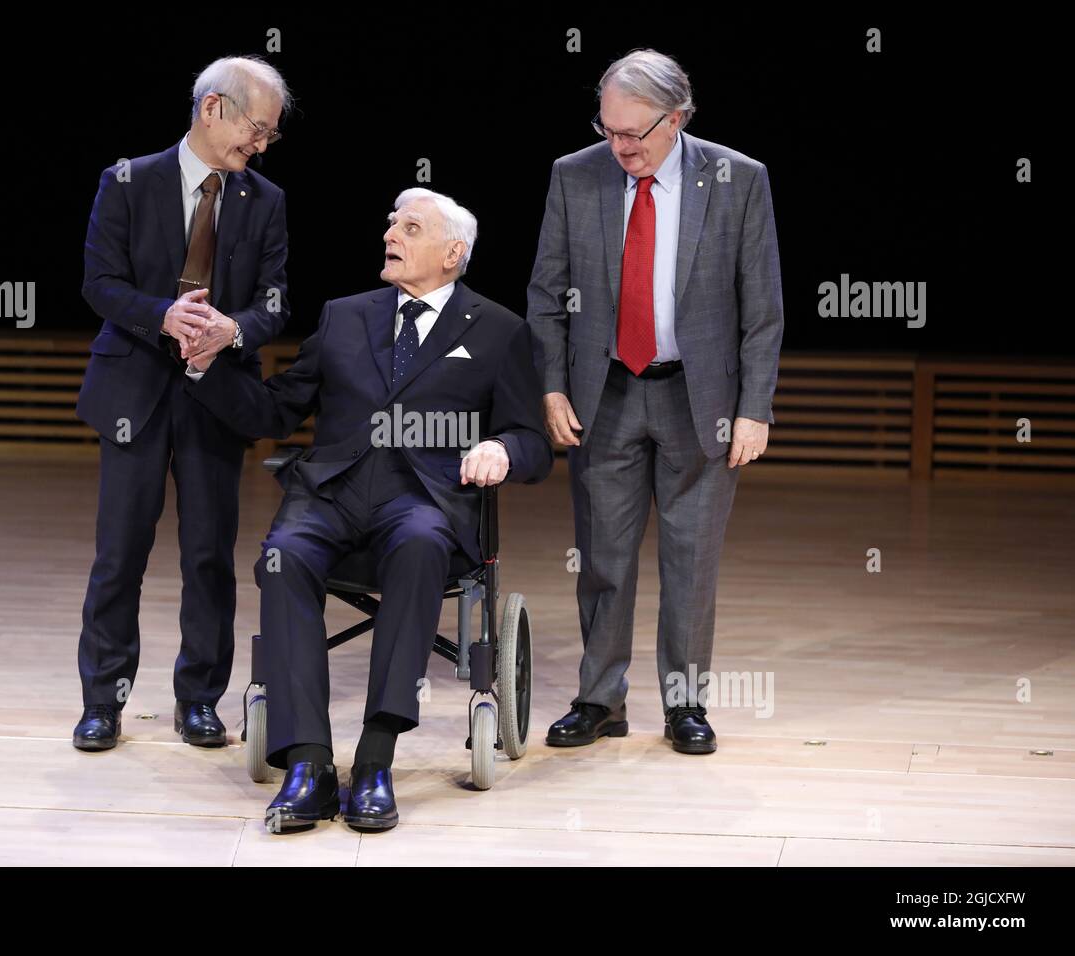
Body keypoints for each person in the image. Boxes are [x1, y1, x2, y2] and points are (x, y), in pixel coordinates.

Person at [185, 188, 553, 831]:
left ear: (453, 253)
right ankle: (309, 765)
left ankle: (376, 761)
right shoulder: (345, 315)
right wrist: (208, 365)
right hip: (332, 493)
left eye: (410, 227)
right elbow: (278, 410)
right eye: (391, 222)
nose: (392, 233)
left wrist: (500, 447)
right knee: (284, 555)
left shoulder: (499, 330)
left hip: (426, 500)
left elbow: (533, 441)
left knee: (418, 545)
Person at [527, 49, 784, 754]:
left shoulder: (738, 178)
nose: (619, 147)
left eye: (634, 134)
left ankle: (684, 705)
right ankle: (600, 699)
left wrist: (755, 407)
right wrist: (551, 384)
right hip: (604, 393)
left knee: (690, 558)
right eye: (608, 129)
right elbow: (546, 296)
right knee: (602, 556)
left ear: (677, 119)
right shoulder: (575, 174)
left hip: (699, 398)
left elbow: (762, 310)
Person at [72, 56, 292, 752]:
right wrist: (162, 316)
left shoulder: (267, 200)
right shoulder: (127, 180)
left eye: (269, 137)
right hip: (134, 387)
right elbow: (99, 284)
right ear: (212, 109)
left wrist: (234, 330)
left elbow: (275, 302)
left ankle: (200, 698)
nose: (259, 145)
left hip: (214, 395)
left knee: (207, 555)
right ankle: (103, 702)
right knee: (120, 553)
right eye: (256, 129)